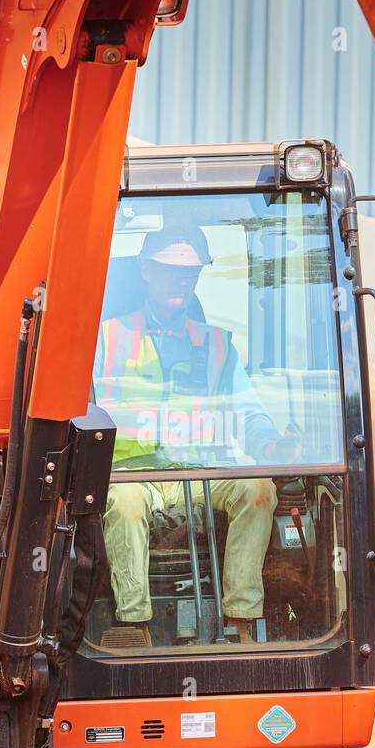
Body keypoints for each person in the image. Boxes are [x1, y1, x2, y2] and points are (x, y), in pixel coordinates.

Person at [91, 224, 295, 645]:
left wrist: (271, 445)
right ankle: (134, 626)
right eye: (170, 270)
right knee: (125, 505)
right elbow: (78, 407)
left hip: (202, 473)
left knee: (258, 490)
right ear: (146, 270)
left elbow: (247, 409)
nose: (181, 280)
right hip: (134, 474)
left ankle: (240, 620)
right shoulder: (107, 339)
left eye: (190, 273)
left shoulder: (218, 346)